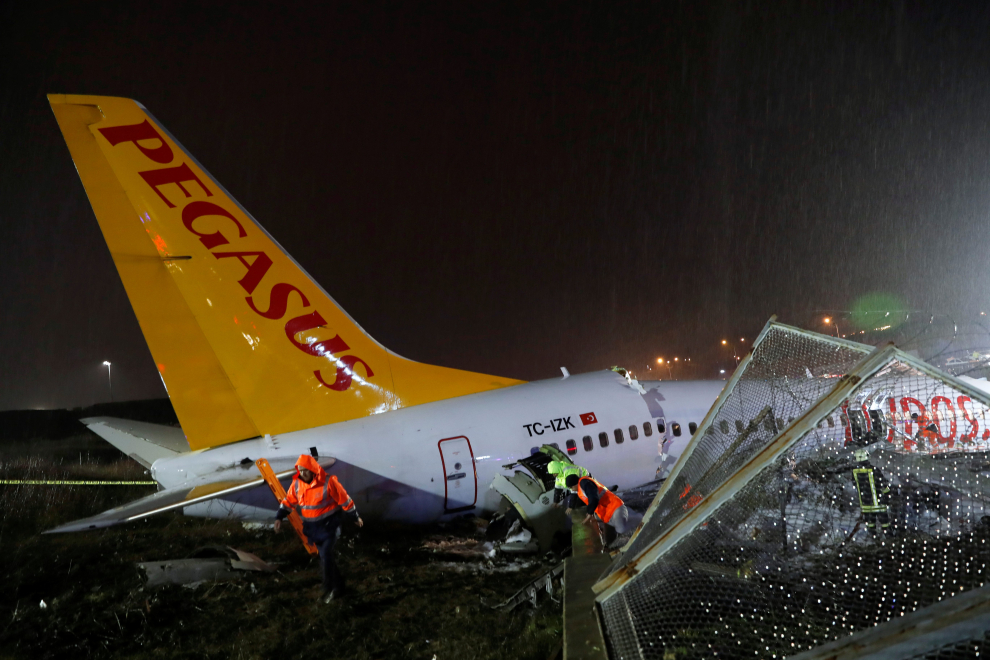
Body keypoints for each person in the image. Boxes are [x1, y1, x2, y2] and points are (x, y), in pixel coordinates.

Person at [275, 454, 363, 603]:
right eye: (300, 470)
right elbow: (289, 501)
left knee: (327, 555)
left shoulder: (329, 482)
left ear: (313, 469)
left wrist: (355, 517)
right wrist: (279, 517)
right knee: (325, 557)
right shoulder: (297, 484)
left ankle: (327, 587)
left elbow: (345, 500)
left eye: (306, 470)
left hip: (330, 526)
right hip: (313, 529)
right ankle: (339, 588)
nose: (303, 473)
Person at [564, 473, 633, 535]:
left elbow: (593, 498)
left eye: (571, 487)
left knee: (621, 530)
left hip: (615, 508)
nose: (572, 490)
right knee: (616, 530)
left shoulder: (584, 482)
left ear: (575, 484)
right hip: (607, 513)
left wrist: (590, 512)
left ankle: (637, 528)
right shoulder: (581, 490)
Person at [851, 448, 891, 534]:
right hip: (878, 503)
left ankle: (874, 539)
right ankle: (888, 538)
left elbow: (855, 484)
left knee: (870, 524)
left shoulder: (854, 471)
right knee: (885, 523)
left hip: (865, 504)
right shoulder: (874, 470)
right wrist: (888, 493)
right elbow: (882, 484)